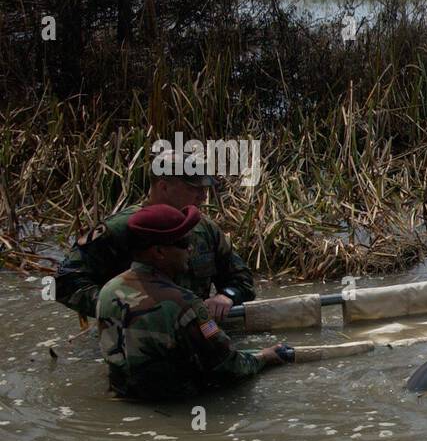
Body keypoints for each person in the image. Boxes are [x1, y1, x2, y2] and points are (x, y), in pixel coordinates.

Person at [97, 205, 290, 401]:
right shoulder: (185, 305)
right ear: (159, 252)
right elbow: (228, 367)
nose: (190, 248)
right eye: (184, 242)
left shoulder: (108, 291)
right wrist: (264, 356)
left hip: (123, 402)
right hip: (176, 408)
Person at [57, 151, 255, 323]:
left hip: (193, 334)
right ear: (163, 187)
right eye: (194, 189)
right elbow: (65, 282)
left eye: (204, 190)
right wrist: (123, 308)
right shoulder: (118, 229)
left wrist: (226, 296)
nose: (203, 197)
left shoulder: (204, 229)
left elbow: (241, 279)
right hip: (134, 341)